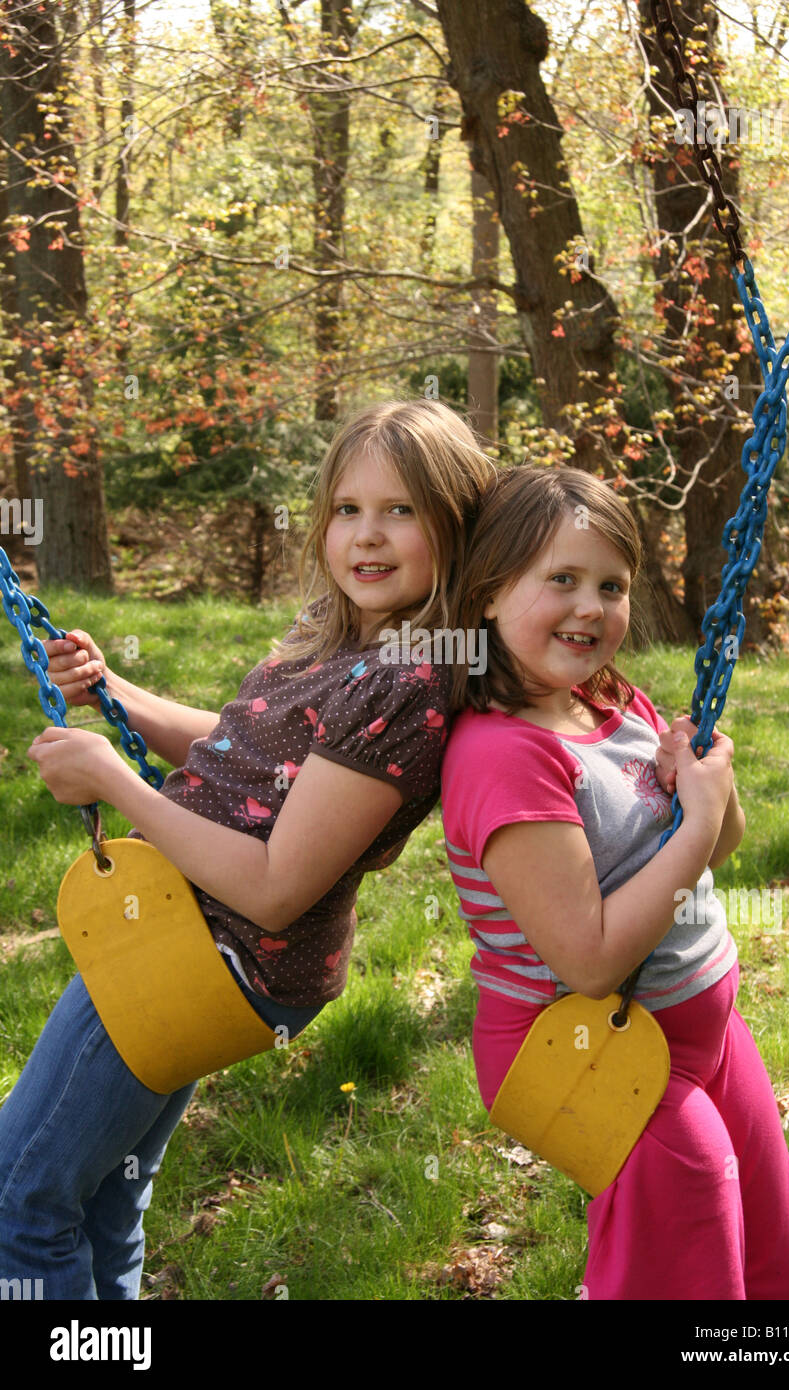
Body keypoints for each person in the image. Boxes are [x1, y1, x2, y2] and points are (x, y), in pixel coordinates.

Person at [0, 398, 496, 1300]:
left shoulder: (405, 683)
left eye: (401, 511)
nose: (367, 537)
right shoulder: (349, 635)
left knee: (19, 1198)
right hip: (198, 934)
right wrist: (118, 692)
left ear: (456, 522)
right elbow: (241, 756)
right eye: (348, 510)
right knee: (108, 1198)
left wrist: (118, 781)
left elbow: (273, 887)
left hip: (212, 949)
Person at [440, 464, 789, 1301]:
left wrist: (707, 785)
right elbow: (590, 959)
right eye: (562, 580)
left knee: (766, 1241)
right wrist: (697, 820)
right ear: (490, 594)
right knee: (684, 1251)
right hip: (589, 1046)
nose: (591, 607)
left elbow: (719, 847)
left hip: (702, 1028)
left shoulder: (612, 701)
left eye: (611, 585)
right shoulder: (504, 754)